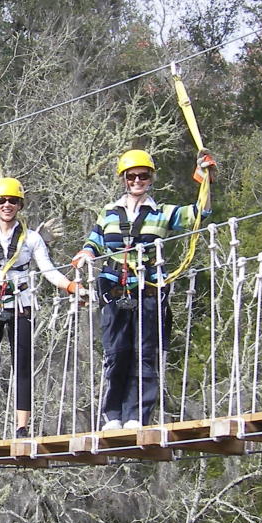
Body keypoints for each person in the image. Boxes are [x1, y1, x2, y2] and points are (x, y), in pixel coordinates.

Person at [72, 149, 215, 431]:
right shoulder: (109, 213)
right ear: (124, 179)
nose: (137, 180)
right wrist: (86, 255)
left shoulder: (162, 213)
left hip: (148, 289)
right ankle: (113, 414)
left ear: (150, 179)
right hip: (114, 290)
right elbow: (94, 242)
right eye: (132, 176)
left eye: (143, 176)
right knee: (116, 352)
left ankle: (138, 414)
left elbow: (200, 213)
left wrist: (207, 178)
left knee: (144, 353)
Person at [0, 178, 86, 439]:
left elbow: (48, 270)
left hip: (21, 305)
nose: (7, 205)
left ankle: (22, 427)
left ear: (20, 205)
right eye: (1, 201)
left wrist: (71, 287)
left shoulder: (32, 238)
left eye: (12, 201)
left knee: (22, 365)